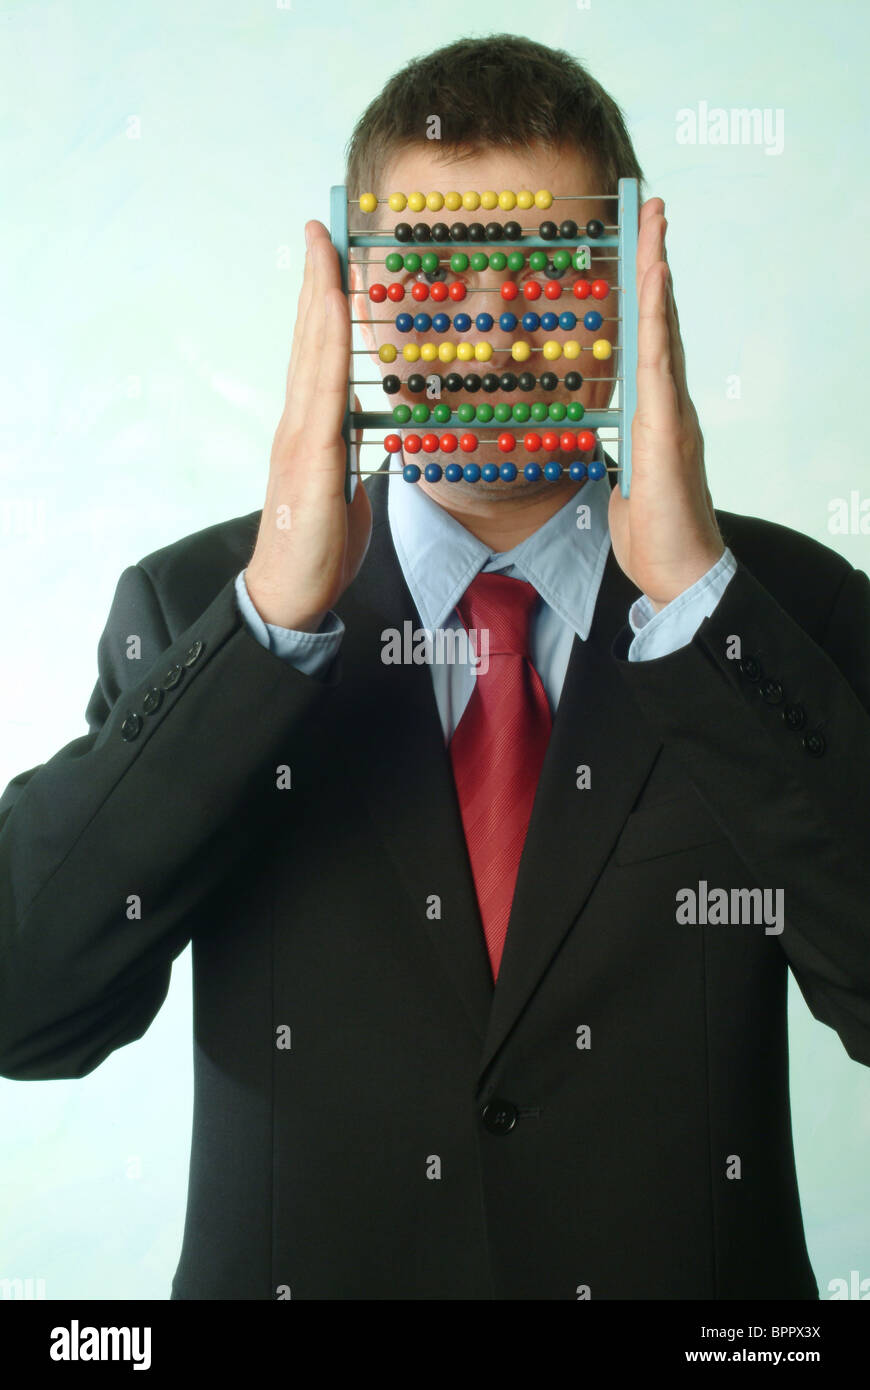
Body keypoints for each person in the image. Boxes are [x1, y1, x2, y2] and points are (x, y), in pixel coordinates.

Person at [1, 34, 868, 1302]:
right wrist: (264, 630)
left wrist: (699, 605)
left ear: (625, 287)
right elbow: (27, 1006)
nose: (488, 325)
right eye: (436, 268)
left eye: (549, 268)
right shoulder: (193, 609)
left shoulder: (782, 613)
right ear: (356, 295)